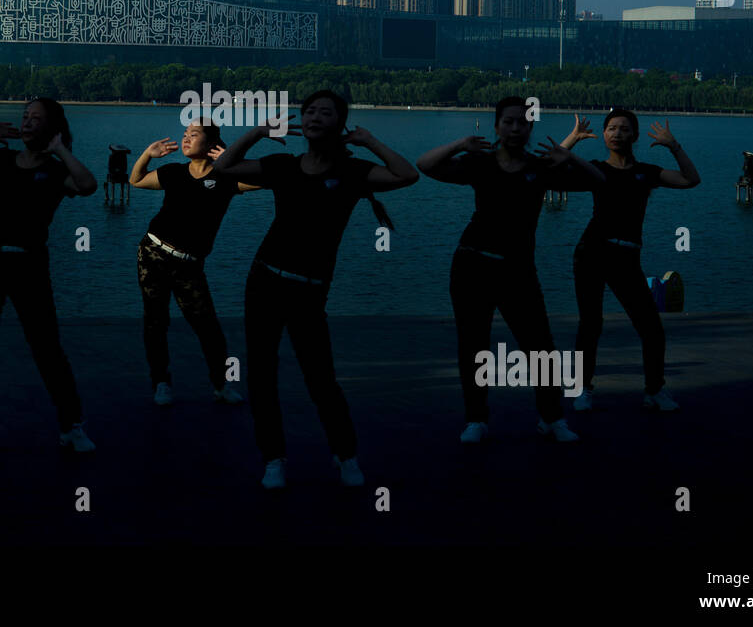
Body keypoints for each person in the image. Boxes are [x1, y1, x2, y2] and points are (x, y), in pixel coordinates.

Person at [214, 90, 419, 490]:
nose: (314, 117)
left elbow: (407, 175)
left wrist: (371, 141)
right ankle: (273, 458)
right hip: (265, 281)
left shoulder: (354, 172)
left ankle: (345, 455)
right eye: (309, 111)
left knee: (320, 379)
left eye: (325, 112)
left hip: (310, 291)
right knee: (261, 376)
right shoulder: (282, 166)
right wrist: (257, 131)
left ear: (339, 124)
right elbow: (223, 168)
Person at [417, 97, 604, 445]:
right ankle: (476, 420)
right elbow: (424, 165)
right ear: (497, 126)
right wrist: (459, 144)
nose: (516, 128)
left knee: (541, 348)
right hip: (472, 265)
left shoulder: (542, 166)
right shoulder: (480, 163)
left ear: (531, 127)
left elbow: (599, 183)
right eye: (508, 122)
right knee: (473, 346)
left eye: (522, 123)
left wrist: (572, 156)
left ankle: (551, 418)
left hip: (518, 270)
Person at [0, 98, 99, 456]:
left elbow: (88, 186)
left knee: (47, 348)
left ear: (52, 128)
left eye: (35, 119)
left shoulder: (58, 172)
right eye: (24, 117)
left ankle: (71, 426)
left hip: (29, 266)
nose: (26, 123)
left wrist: (60, 150)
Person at [558, 110, 700, 411]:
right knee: (590, 323)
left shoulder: (646, 172)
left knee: (650, 326)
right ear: (604, 135)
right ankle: (583, 387)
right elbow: (549, 172)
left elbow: (690, 180)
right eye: (611, 128)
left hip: (627, 257)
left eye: (623, 129)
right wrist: (572, 138)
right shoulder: (595, 169)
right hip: (592, 253)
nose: (616, 133)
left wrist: (673, 145)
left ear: (634, 136)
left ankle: (654, 389)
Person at [130, 120, 258, 406]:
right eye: (185, 134)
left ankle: (222, 384)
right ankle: (161, 382)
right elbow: (135, 180)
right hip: (153, 254)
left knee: (207, 326)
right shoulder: (173, 173)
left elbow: (264, 178)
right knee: (155, 321)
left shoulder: (226, 179)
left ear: (212, 143)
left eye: (194, 134)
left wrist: (231, 158)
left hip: (190, 265)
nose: (186, 139)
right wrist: (147, 155)